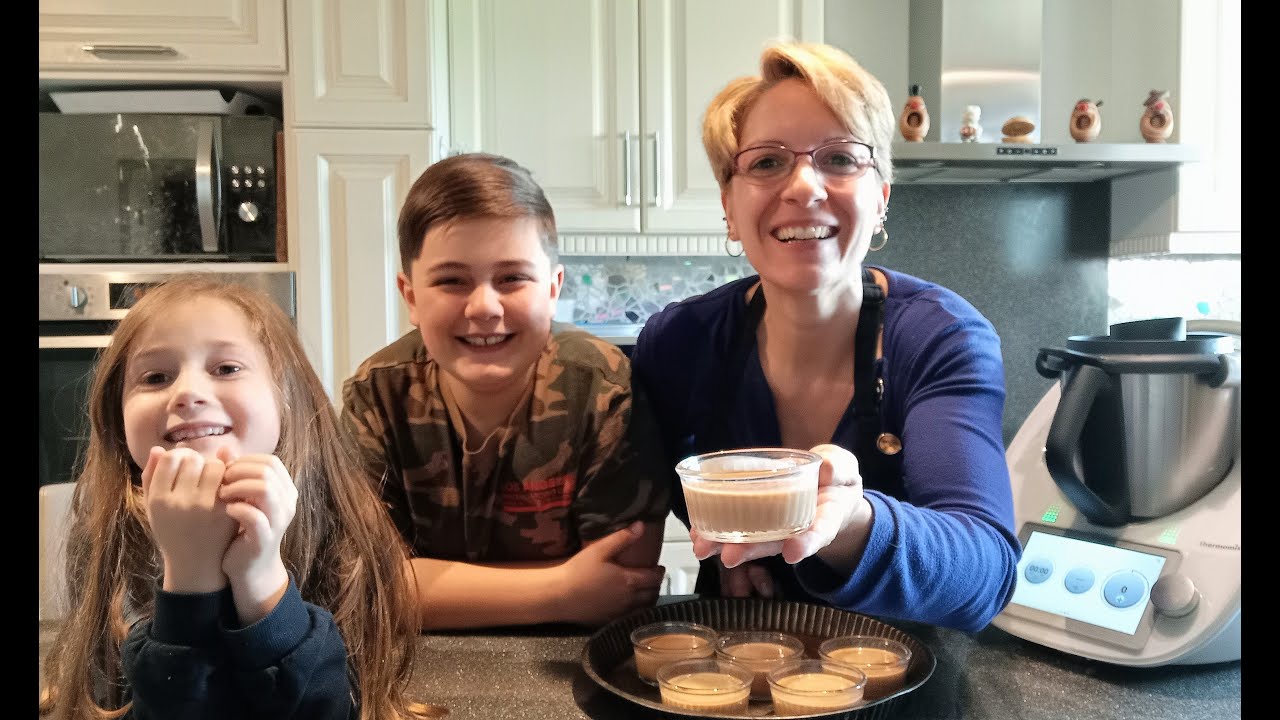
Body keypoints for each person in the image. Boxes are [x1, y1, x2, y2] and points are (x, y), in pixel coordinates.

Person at [629, 42, 1022, 633]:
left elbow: (985, 576)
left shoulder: (941, 338)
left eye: (840, 158)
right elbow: (674, 473)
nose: (805, 186)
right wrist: (744, 543)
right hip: (730, 659)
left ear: (881, 197)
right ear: (729, 208)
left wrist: (850, 523)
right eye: (765, 163)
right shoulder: (679, 341)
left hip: (898, 672)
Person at [38, 275, 444, 719]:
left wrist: (261, 579)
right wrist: (188, 578)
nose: (188, 393)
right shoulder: (108, 536)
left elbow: (335, 707)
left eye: (226, 369)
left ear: (288, 397)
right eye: (156, 377)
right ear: (116, 417)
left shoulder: (338, 522)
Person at [341, 153, 670, 630]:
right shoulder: (377, 396)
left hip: (574, 667)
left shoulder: (604, 391)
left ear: (553, 289)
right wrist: (562, 590)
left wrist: (419, 585)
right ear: (411, 296)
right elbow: (360, 588)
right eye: (452, 281)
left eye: (512, 278)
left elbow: (622, 585)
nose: (484, 307)